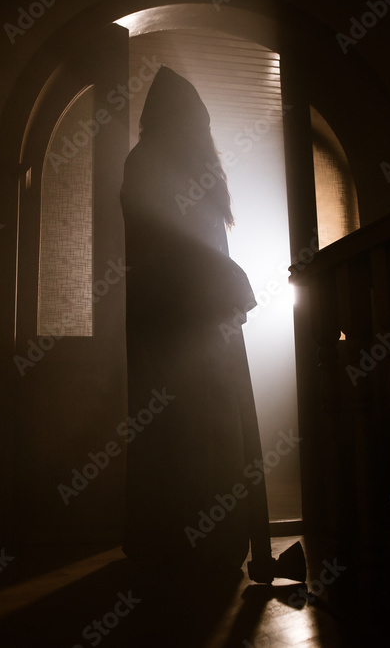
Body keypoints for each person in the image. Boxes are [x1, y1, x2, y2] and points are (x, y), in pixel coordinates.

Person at [119, 66, 260, 578]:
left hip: (196, 321)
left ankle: (202, 545)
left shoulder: (168, 164)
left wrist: (223, 281)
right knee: (188, 431)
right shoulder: (153, 163)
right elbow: (170, 242)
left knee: (204, 431)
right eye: (195, 122)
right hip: (176, 322)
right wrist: (225, 279)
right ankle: (191, 546)